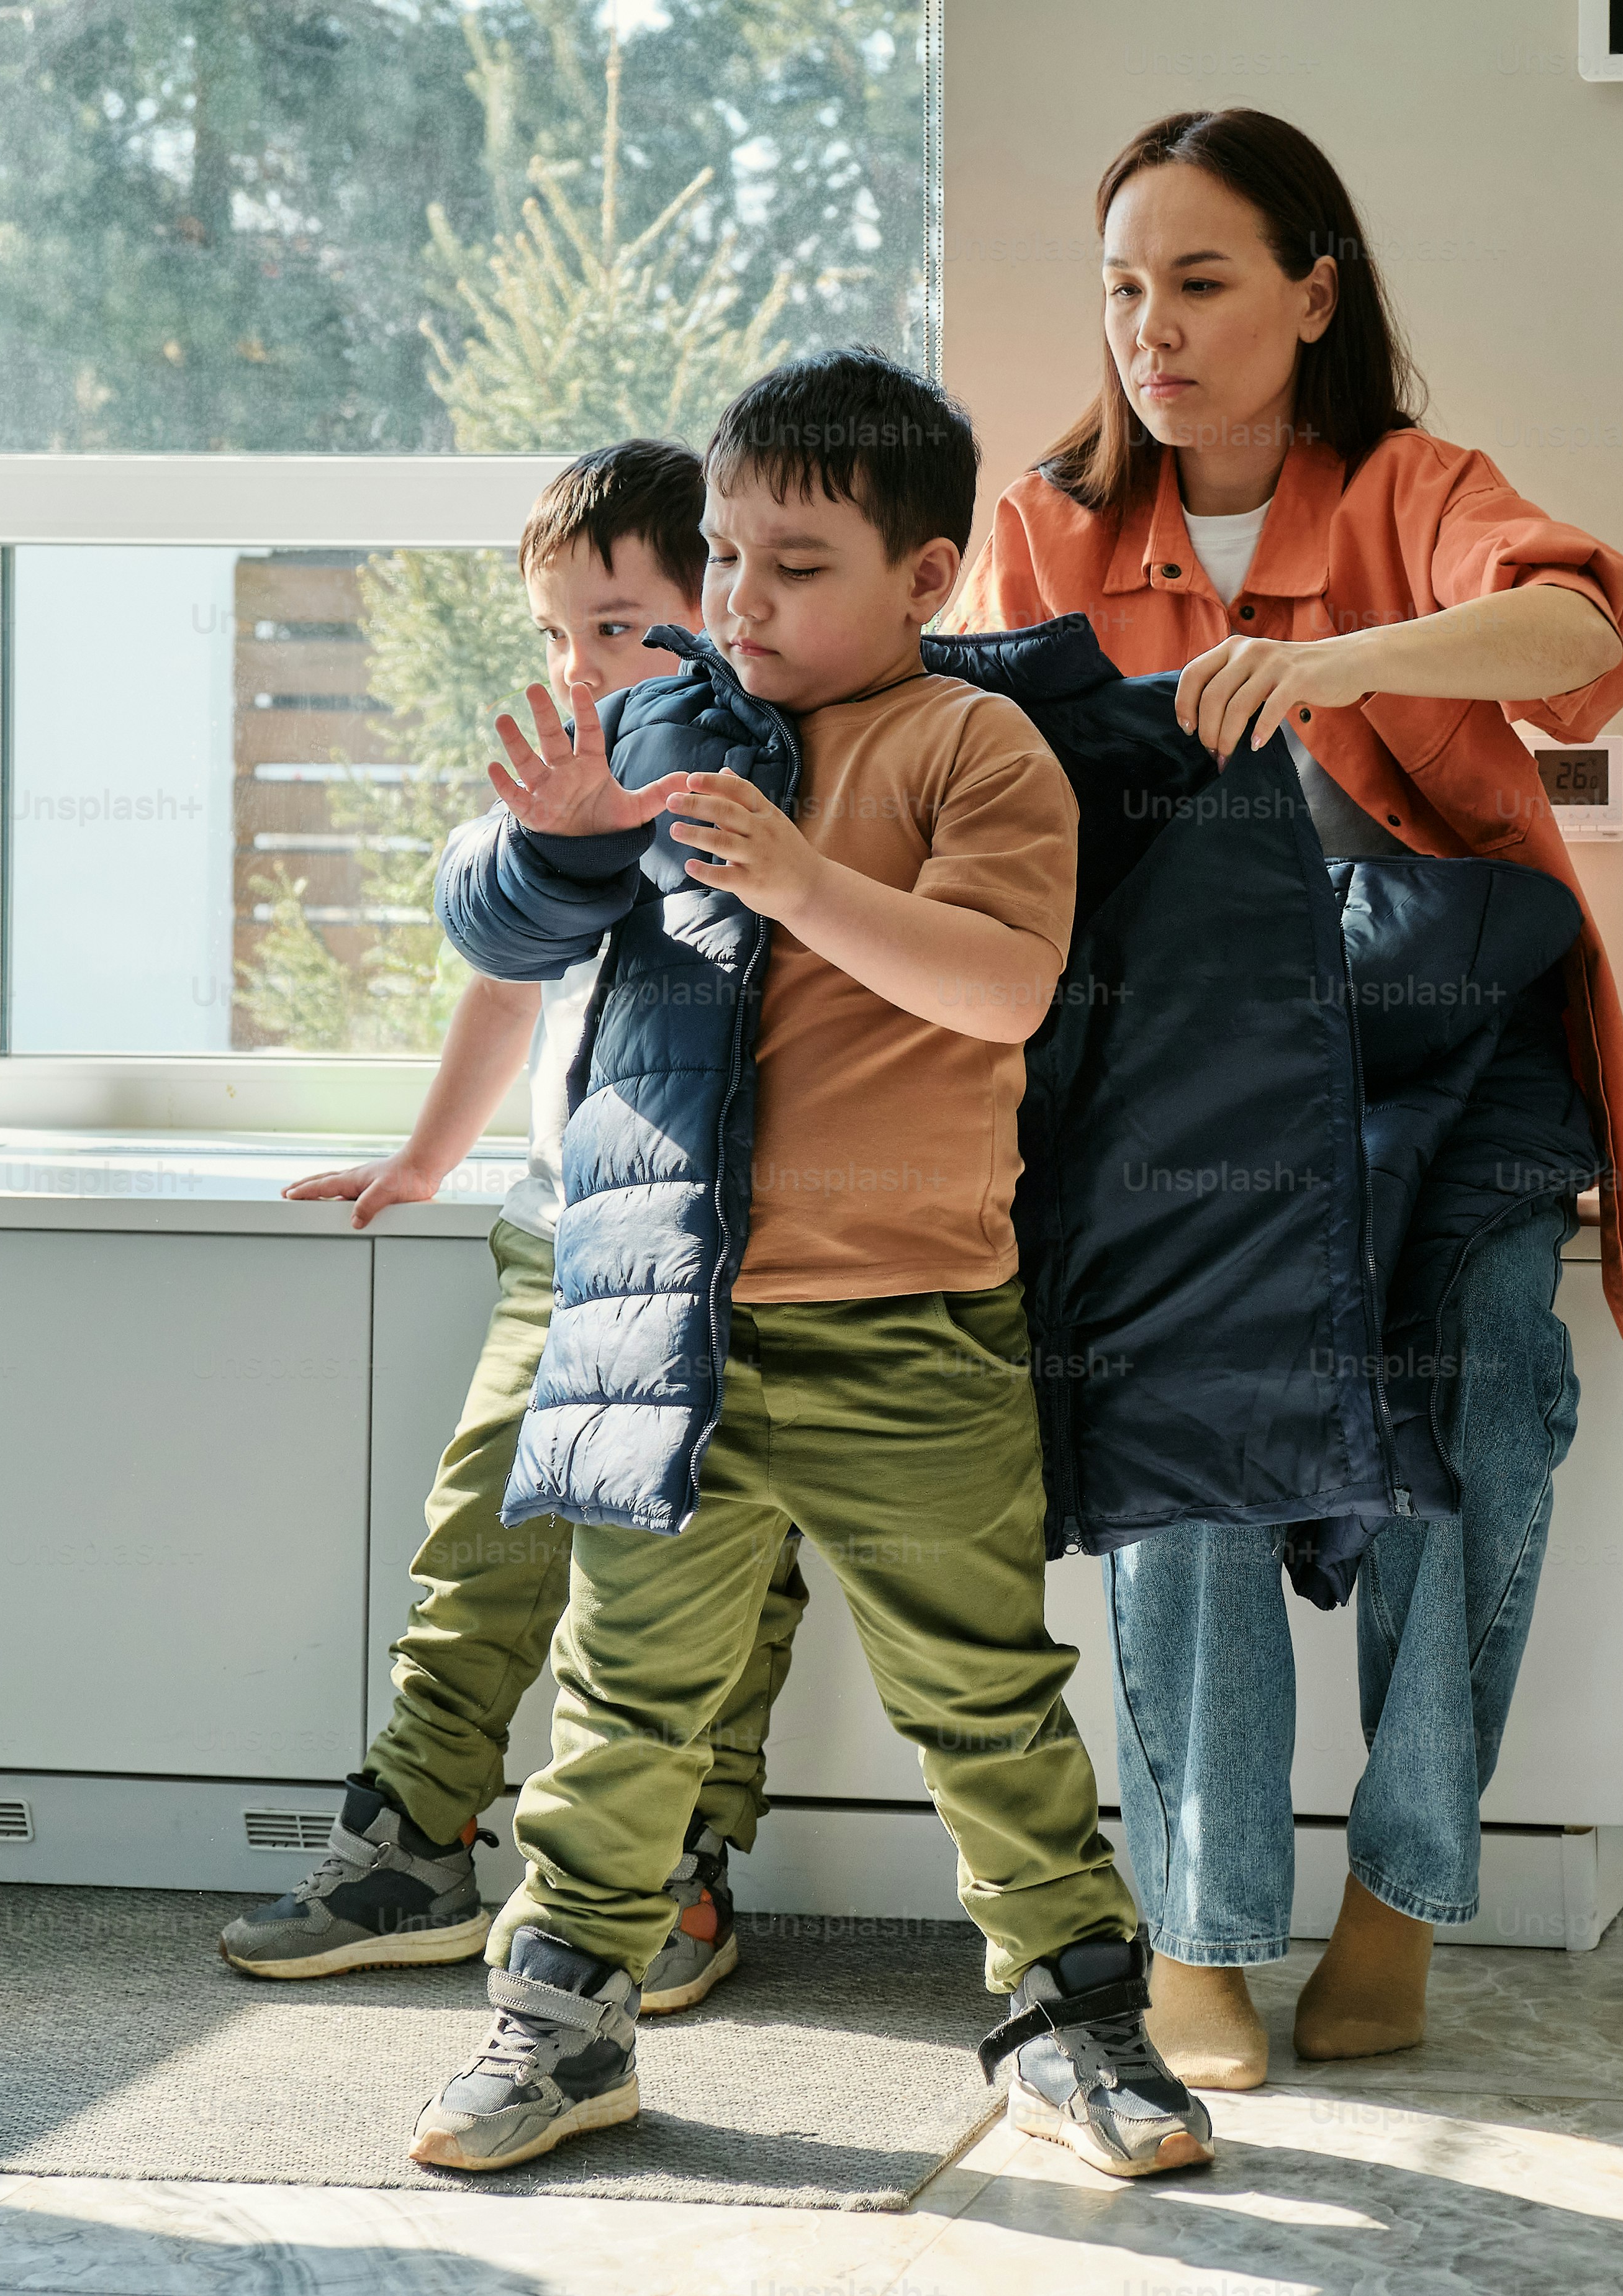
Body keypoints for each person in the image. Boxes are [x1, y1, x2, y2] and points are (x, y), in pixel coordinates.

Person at [961, 107, 1623, 2090]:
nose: (1154, 328)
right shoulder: (1045, 528)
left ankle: (1400, 1896)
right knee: (1190, 1420)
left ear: (1310, 294)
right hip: (1189, 1061)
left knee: (1492, 1396)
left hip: (1456, 1038)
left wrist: (1337, 662)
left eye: (1201, 282)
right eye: (1125, 287)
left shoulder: (1410, 488)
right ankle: (1198, 1924)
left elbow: (1578, 631)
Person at [423, 347, 1212, 2181]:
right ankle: (561, 2021)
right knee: (626, 1703)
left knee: (985, 1700)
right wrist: (546, 850)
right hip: (664, 1328)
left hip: (914, 1334)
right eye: (724, 557)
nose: (743, 600)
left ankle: (1073, 2024)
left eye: (797, 566)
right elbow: (499, 917)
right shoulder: (657, 726)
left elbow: (1000, 985)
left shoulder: (972, 748)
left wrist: (796, 880)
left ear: (927, 578)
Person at [224, 440, 799, 2018]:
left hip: (717, 1255)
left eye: (615, 624)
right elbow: (504, 984)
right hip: (557, 1235)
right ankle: (414, 1843)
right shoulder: (560, 791)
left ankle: (682, 1869)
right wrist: (427, 1158)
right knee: (478, 1539)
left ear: (715, 609)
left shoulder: (748, 785)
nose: (580, 663)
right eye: (555, 632)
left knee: (706, 1581)